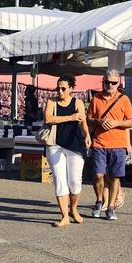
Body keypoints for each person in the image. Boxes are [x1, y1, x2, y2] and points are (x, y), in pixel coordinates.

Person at [87, 69, 132, 221]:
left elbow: (131, 121)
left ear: (118, 83)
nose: (110, 85)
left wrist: (117, 123)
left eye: (113, 82)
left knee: (114, 177)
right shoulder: (96, 98)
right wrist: (98, 121)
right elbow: (88, 119)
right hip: (99, 143)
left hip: (118, 144)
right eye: (107, 82)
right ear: (103, 82)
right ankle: (99, 201)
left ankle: (111, 207)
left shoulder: (124, 99)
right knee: (98, 175)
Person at [43, 77, 88, 227]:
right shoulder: (51, 101)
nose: (60, 91)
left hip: (75, 145)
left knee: (75, 182)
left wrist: (87, 135)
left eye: (63, 88)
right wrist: (71, 117)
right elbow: (48, 118)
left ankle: (73, 209)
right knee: (59, 180)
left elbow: (83, 122)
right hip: (55, 145)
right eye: (58, 88)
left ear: (71, 89)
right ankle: (64, 216)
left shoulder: (78, 103)